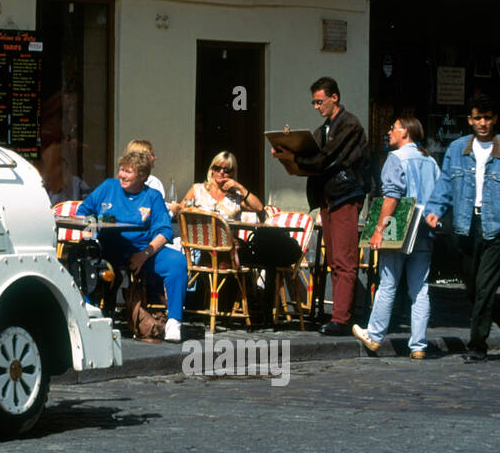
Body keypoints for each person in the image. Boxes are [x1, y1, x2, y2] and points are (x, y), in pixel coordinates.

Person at [423, 95, 500, 363]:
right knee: (473, 289)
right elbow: (445, 183)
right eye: (478, 118)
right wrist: (435, 209)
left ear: (495, 119)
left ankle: (477, 345)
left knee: (486, 288)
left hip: (497, 227)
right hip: (465, 225)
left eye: (488, 118)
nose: (483, 123)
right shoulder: (457, 149)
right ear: (470, 120)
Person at [271, 77, 368, 336]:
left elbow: (326, 159)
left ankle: (341, 318)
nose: (316, 106)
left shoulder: (350, 124)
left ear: (334, 97)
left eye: (319, 101)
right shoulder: (324, 129)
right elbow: (309, 162)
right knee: (335, 258)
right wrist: (286, 153)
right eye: (313, 102)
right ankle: (338, 315)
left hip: (345, 196)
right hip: (328, 198)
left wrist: (296, 156)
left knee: (344, 260)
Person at [76, 148, 186, 342]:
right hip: (110, 247)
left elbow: (164, 231)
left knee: (177, 261)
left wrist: (143, 255)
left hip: (142, 249)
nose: (121, 175)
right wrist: (93, 225)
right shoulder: (109, 186)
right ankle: (88, 308)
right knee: (80, 254)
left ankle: (174, 321)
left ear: (142, 175)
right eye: (121, 169)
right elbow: (83, 211)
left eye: (128, 171)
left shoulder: (152, 196)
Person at [353, 118, 441, 358]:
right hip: (423, 229)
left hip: (400, 226)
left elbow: (391, 197)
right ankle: (419, 345)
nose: (389, 131)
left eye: (393, 128)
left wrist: (379, 229)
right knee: (420, 288)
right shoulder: (431, 161)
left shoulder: (396, 158)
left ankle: (374, 335)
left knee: (388, 283)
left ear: (407, 133)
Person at [180, 151, 265, 221]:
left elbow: (259, 208)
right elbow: (180, 211)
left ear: (232, 173)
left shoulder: (236, 196)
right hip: (200, 240)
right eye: (217, 168)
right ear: (212, 170)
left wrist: (240, 187)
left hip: (227, 240)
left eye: (226, 170)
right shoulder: (197, 189)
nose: (221, 172)